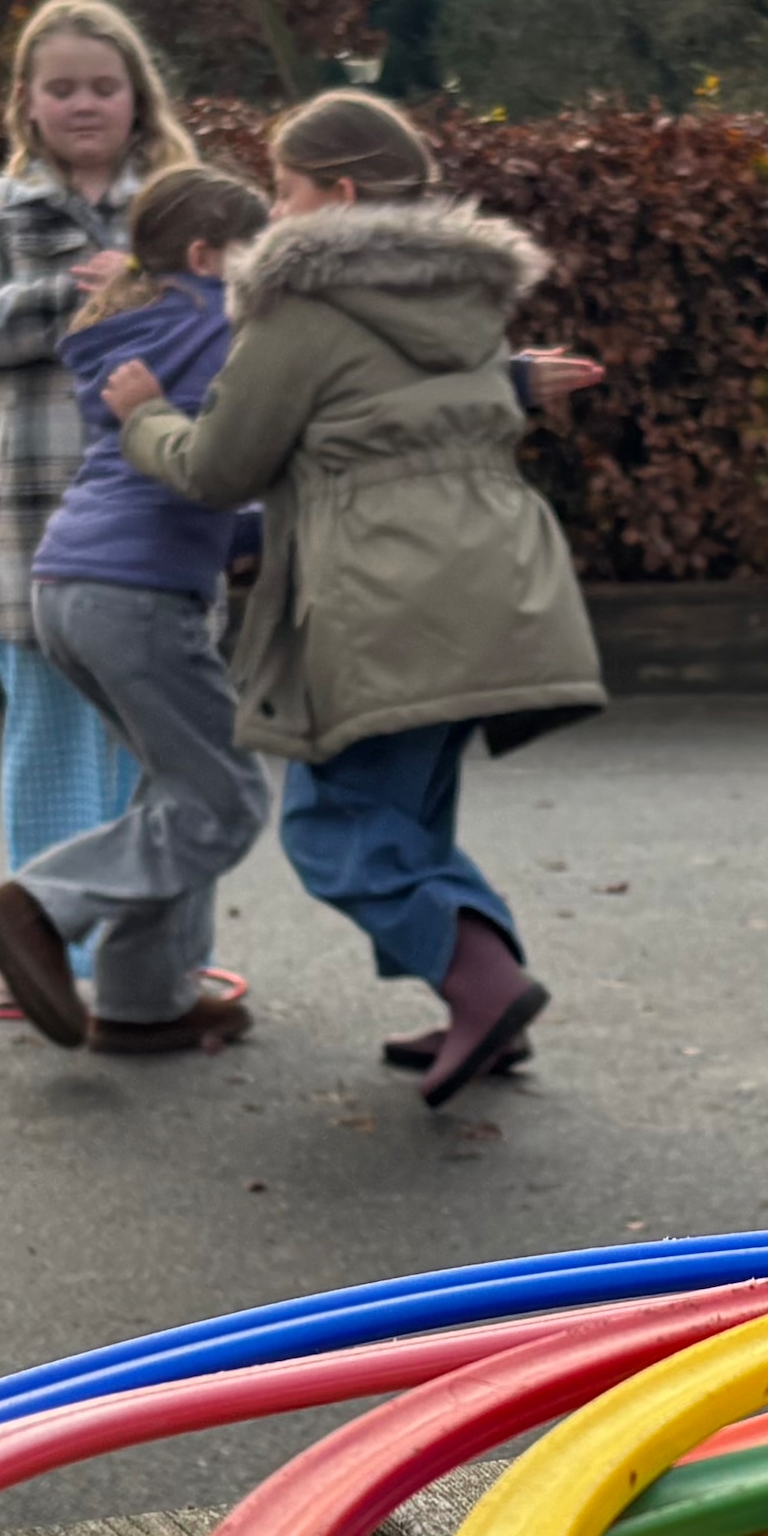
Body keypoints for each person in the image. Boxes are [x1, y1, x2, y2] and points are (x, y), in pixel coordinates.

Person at [104, 93, 606, 1106]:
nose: (271, 215)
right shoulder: (465, 297)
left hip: (384, 596)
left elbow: (218, 462)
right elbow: (414, 407)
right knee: (407, 818)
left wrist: (143, 415)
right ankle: (478, 1005)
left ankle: (484, 982)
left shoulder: (301, 304)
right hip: (495, 583)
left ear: (335, 193)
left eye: (282, 190)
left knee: (332, 827)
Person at [0, 166, 281, 1054]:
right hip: (137, 595)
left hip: (68, 580)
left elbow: (174, 463)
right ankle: (39, 907)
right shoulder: (216, 324)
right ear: (208, 254)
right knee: (227, 798)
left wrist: (253, 533)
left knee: (177, 786)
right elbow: (229, 447)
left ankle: (144, 1002)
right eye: (258, 255)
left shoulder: (131, 324)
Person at [0, 0, 201, 873]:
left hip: (158, 530)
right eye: (64, 87)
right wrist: (78, 300)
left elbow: (245, 330)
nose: (85, 104)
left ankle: (148, 959)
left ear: (138, 98)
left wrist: (156, 286)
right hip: (34, 534)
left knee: (160, 749)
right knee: (48, 748)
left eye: (105, 86)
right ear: (28, 103)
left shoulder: (184, 214)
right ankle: (41, 942)